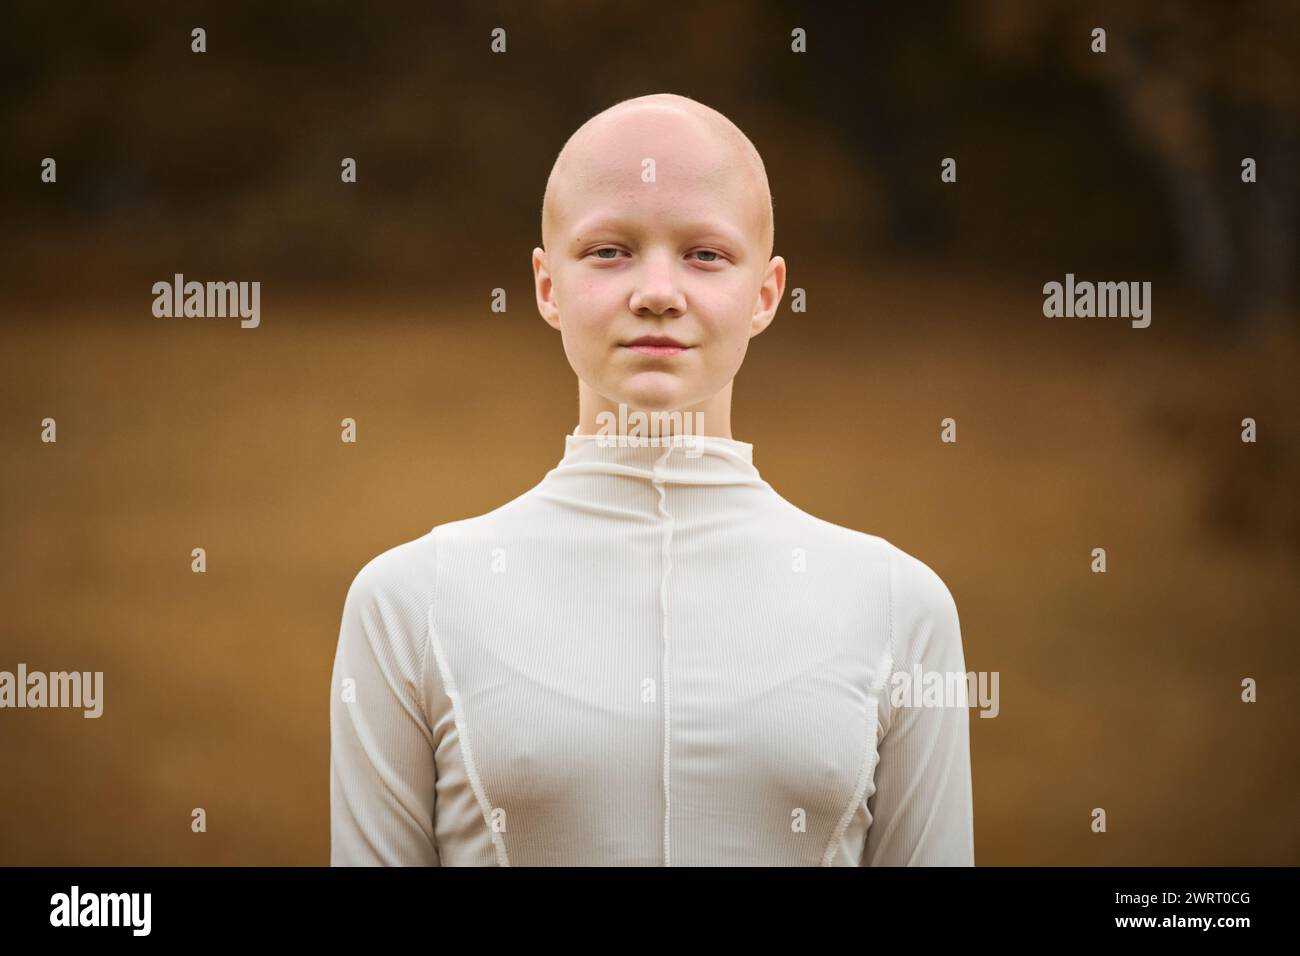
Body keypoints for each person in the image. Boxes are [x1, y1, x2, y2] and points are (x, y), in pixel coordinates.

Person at [329, 92, 974, 866]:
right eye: (609, 251)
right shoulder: (408, 603)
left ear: (765, 294)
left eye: (705, 254)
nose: (658, 292)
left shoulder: (898, 607)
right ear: (546, 287)